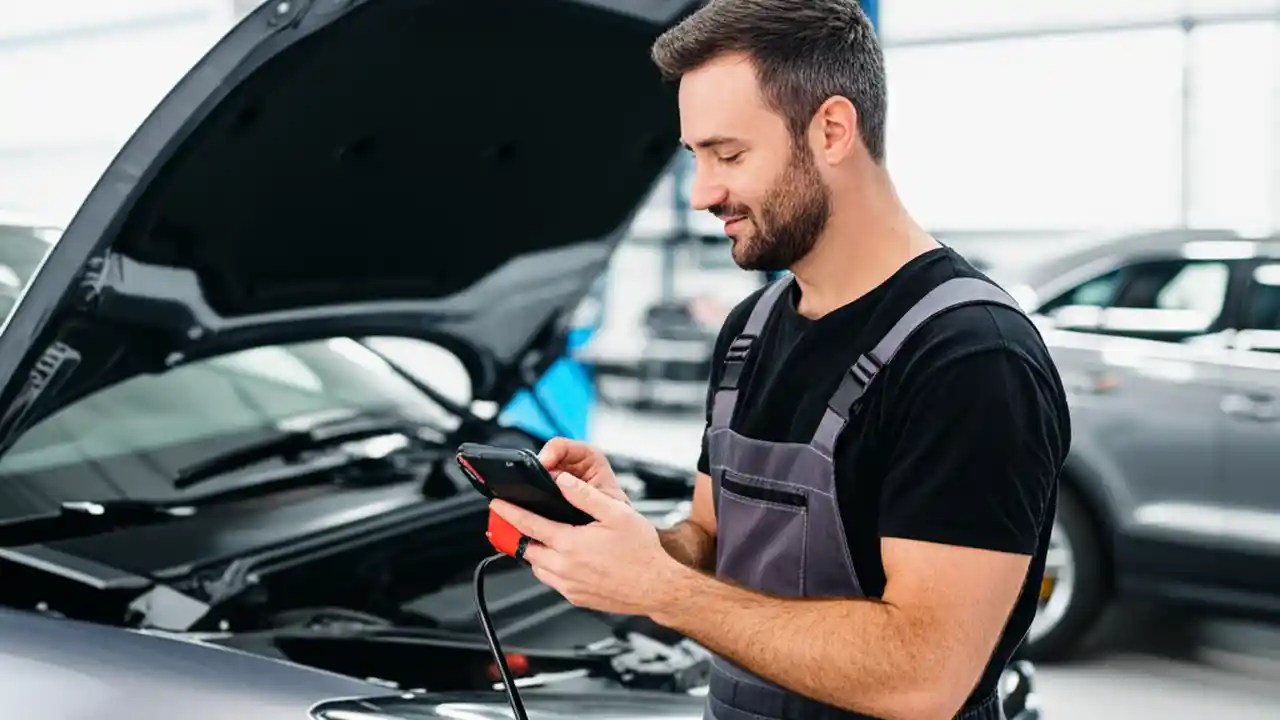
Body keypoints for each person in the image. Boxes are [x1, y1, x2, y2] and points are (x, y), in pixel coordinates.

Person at [489, 1, 1071, 718]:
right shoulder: (751, 329)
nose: (704, 193)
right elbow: (710, 540)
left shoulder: (971, 359)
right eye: (695, 157)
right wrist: (635, 543)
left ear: (832, 130)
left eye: (729, 155)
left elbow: (924, 676)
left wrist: (660, 592)